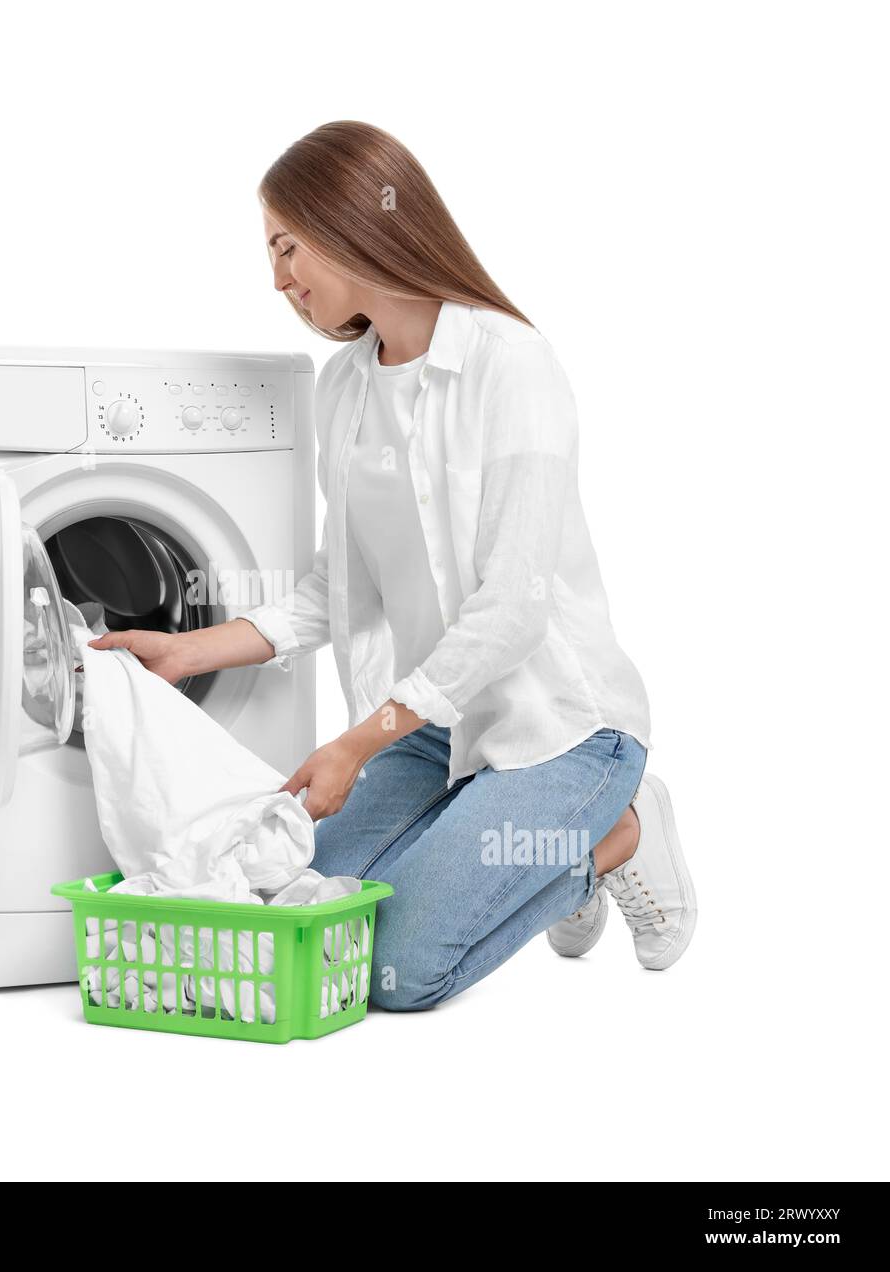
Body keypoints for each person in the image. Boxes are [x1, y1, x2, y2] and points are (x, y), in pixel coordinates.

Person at [88, 120, 696, 1011]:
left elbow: (514, 609)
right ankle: (506, 858)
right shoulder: (343, 390)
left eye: (288, 247)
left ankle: (613, 838)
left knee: (394, 969)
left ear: (354, 222)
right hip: (430, 734)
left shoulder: (510, 365)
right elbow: (342, 588)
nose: (278, 279)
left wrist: (355, 741)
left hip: (558, 727)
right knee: (312, 908)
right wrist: (189, 653)